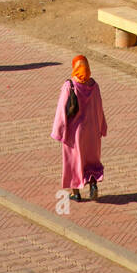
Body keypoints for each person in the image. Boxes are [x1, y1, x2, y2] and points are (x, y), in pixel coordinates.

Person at [51, 54, 107, 201]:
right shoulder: (94, 85)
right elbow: (99, 108)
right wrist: (102, 127)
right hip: (92, 131)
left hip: (74, 133)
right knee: (92, 160)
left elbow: (61, 110)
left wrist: (58, 131)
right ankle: (93, 184)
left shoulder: (70, 86)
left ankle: (75, 193)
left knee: (74, 161)